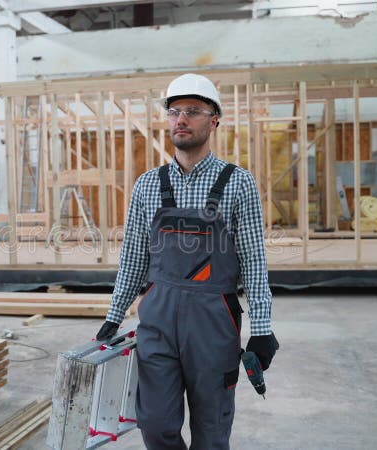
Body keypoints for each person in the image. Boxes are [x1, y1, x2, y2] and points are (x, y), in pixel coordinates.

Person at [96, 73, 278, 450]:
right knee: (155, 423)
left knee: (211, 430)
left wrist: (262, 327)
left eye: (193, 111)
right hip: (158, 320)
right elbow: (133, 257)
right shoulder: (147, 185)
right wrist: (114, 314)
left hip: (214, 324)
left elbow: (254, 263)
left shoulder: (238, 183)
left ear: (213, 120)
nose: (181, 119)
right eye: (174, 111)